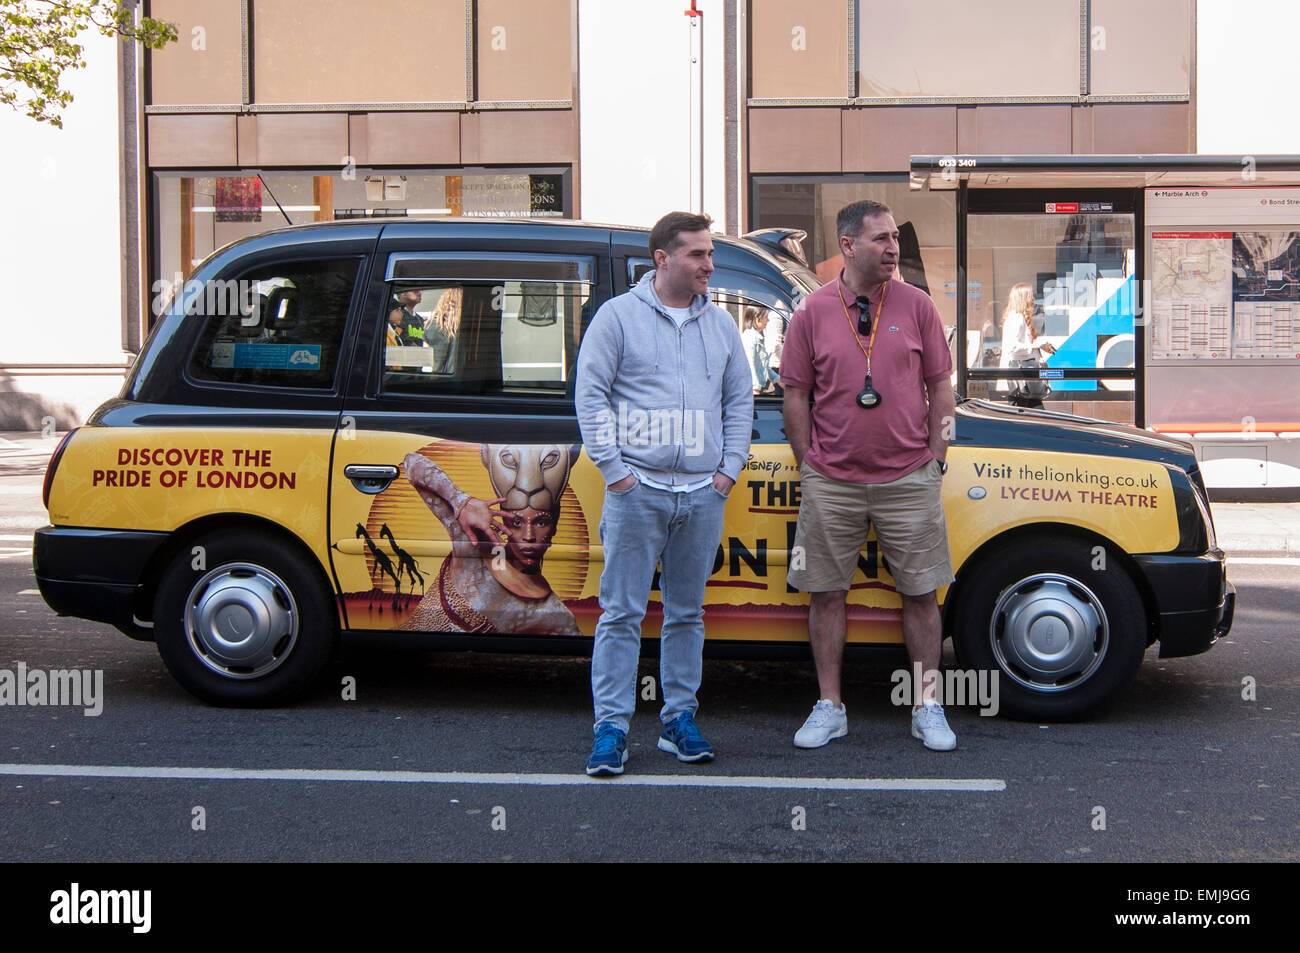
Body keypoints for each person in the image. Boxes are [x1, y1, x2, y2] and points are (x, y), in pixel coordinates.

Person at [575, 211, 753, 776]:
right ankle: (611, 729)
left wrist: (727, 470)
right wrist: (617, 473)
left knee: (686, 614)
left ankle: (679, 720)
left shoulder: (721, 325)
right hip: (637, 491)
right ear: (662, 258)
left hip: (702, 492)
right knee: (621, 614)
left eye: (709, 253)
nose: (709, 264)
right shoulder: (618, 318)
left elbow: (739, 401)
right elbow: (591, 398)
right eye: (698, 254)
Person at [781, 199, 958, 752]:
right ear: (848, 246)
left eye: (895, 239)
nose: (893, 248)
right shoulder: (812, 312)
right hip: (832, 480)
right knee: (827, 593)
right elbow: (796, 393)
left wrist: (937, 455)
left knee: (921, 592)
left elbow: (942, 386)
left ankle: (926, 705)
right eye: (880, 239)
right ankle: (830, 705)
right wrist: (809, 461)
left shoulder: (918, 305)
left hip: (909, 476)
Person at [400, 443, 581, 635]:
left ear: (554, 528)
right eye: (516, 523)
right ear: (503, 521)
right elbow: (411, 463)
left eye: (541, 522)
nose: (529, 536)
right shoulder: (474, 545)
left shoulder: (552, 612)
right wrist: (462, 502)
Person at [998, 282, 1055, 407]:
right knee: (1033, 415)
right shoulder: (1016, 318)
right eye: (1030, 296)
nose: (1033, 299)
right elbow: (1014, 347)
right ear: (1023, 299)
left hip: (1023, 381)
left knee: (1031, 414)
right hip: (1022, 380)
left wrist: (1040, 344)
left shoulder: (1018, 317)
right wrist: (1037, 346)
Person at [741, 306, 778, 394]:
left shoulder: (757, 337)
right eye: (766, 318)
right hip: (753, 391)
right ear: (756, 318)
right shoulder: (749, 337)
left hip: (759, 389)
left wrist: (779, 380)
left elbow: (764, 367)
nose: (768, 321)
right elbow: (750, 364)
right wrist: (755, 388)